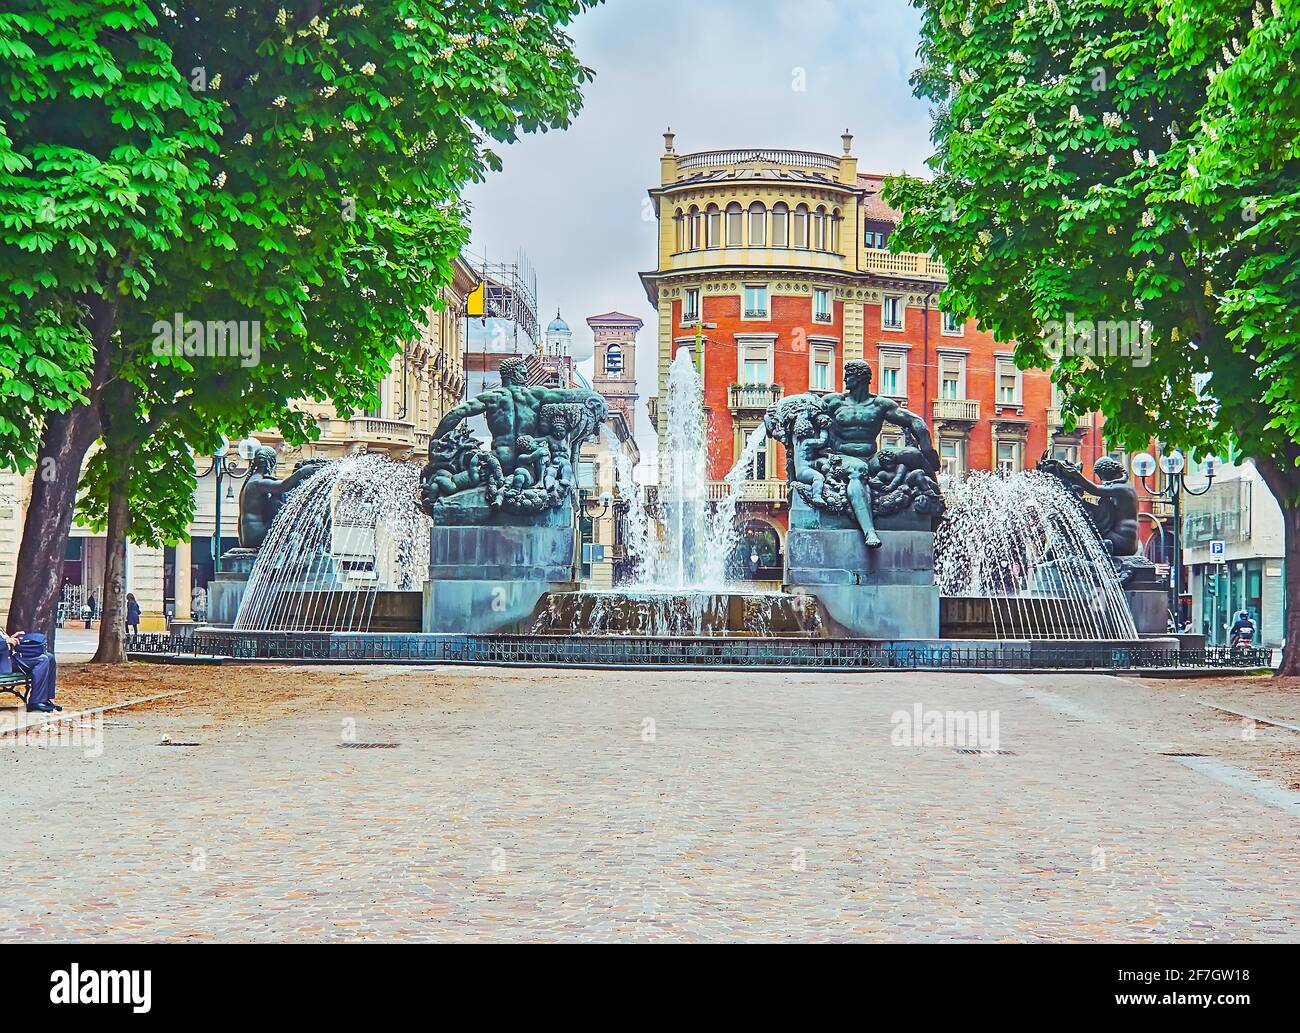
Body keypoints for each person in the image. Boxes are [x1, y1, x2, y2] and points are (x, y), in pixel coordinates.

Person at [2, 631, 61, 713]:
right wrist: (5, 641)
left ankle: (45, 699)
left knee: (50, 657)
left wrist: (11, 637)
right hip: (6, 662)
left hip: (10, 657)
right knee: (42, 660)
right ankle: (36, 701)